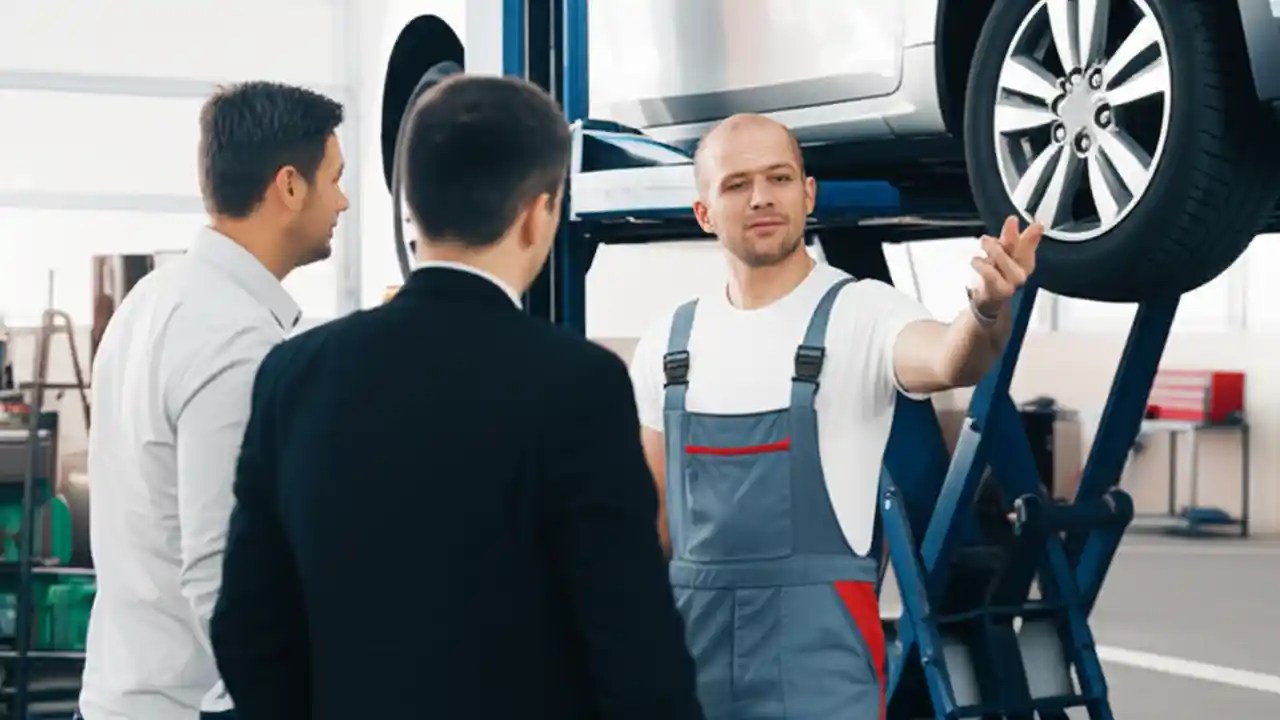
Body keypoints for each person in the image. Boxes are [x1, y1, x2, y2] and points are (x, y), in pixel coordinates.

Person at [209, 74, 704, 720]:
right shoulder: (578, 385)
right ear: (539, 213)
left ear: (410, 205)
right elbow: (637, 658)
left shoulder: (294, 374)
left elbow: (247, 632)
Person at [628, 113, 1042, 719]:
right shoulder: (669, 343)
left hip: (820, 669)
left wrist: (984, 312)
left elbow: (951, 359)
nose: (762, 196)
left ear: (808, 192)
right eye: (737, 184)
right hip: (691, 665)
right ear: (705, 213)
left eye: (779, 177)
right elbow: (653, 526)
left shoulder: (861, 313)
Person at [79, 81, 349, 720]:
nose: (342, 200)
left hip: (122, 695)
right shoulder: (234, 340)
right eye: (334, 178)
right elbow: (220, 570)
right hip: (188, 706)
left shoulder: (152, 299)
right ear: (289, 186)